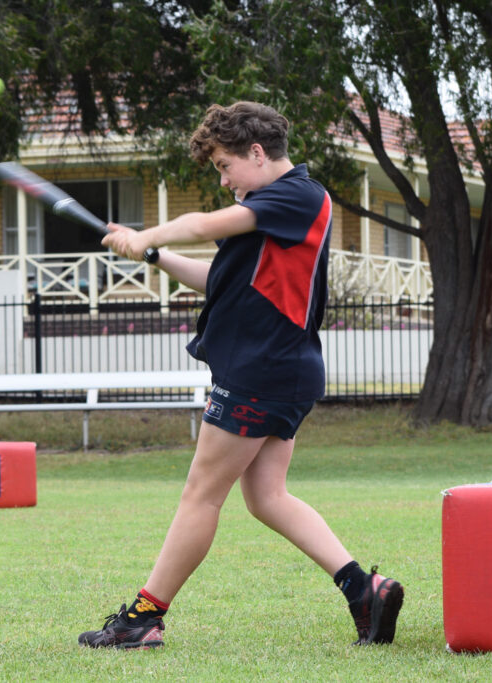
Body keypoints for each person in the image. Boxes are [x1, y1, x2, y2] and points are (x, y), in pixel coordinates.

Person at [79, 102, 403, 649]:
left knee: (201, 493)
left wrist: (153, 231)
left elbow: (202, 226)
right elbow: (220, 279)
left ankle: (142, 619)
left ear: (258, 153)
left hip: (263, 369)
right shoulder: (274, 213)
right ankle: (362, 588)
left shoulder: (297, 196)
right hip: (284, 368)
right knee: (267, 496)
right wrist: (152, 253)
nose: (225, 181)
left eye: (225, 167)